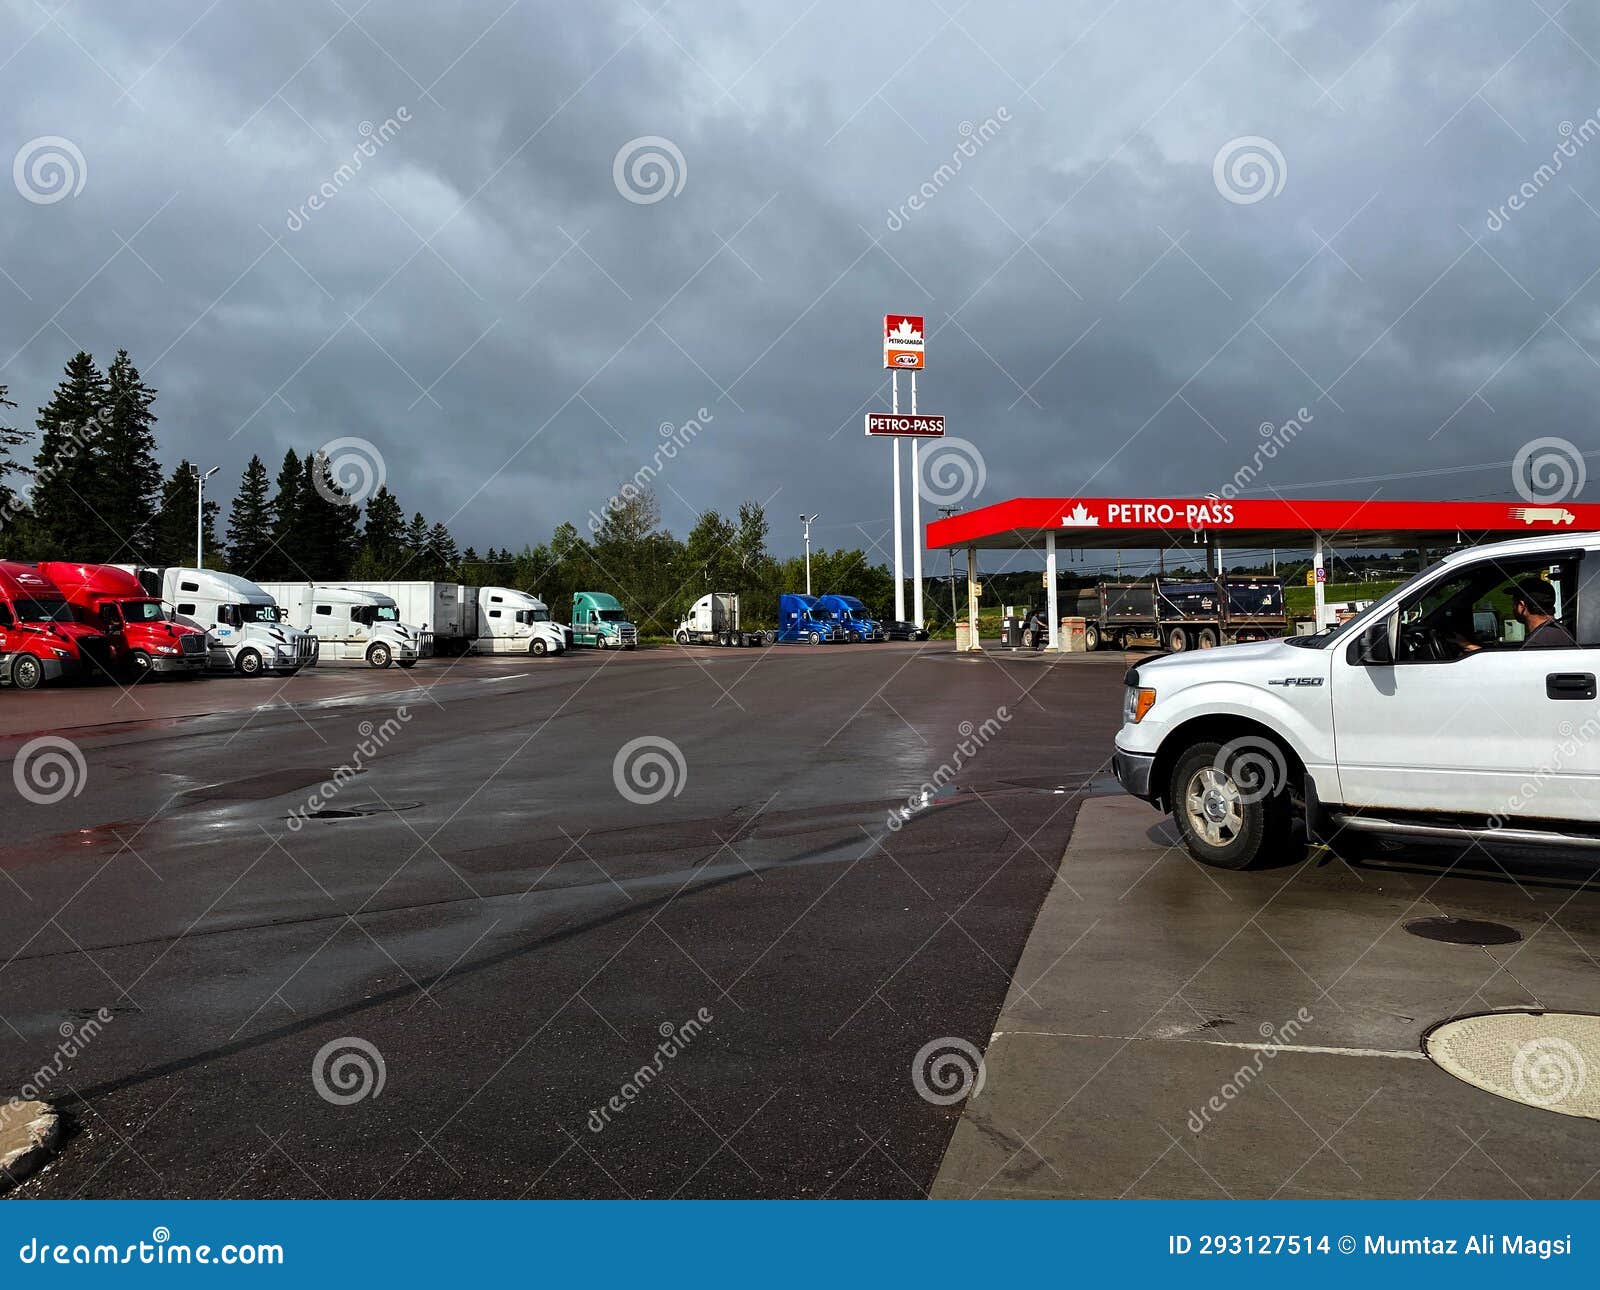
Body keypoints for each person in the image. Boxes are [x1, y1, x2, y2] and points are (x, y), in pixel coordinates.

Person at [1511, 579, 1576, 648]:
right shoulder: (1561, 632)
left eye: (1514, 602)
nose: (1512, 607)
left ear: (1521, 606)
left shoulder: (1535, 644)